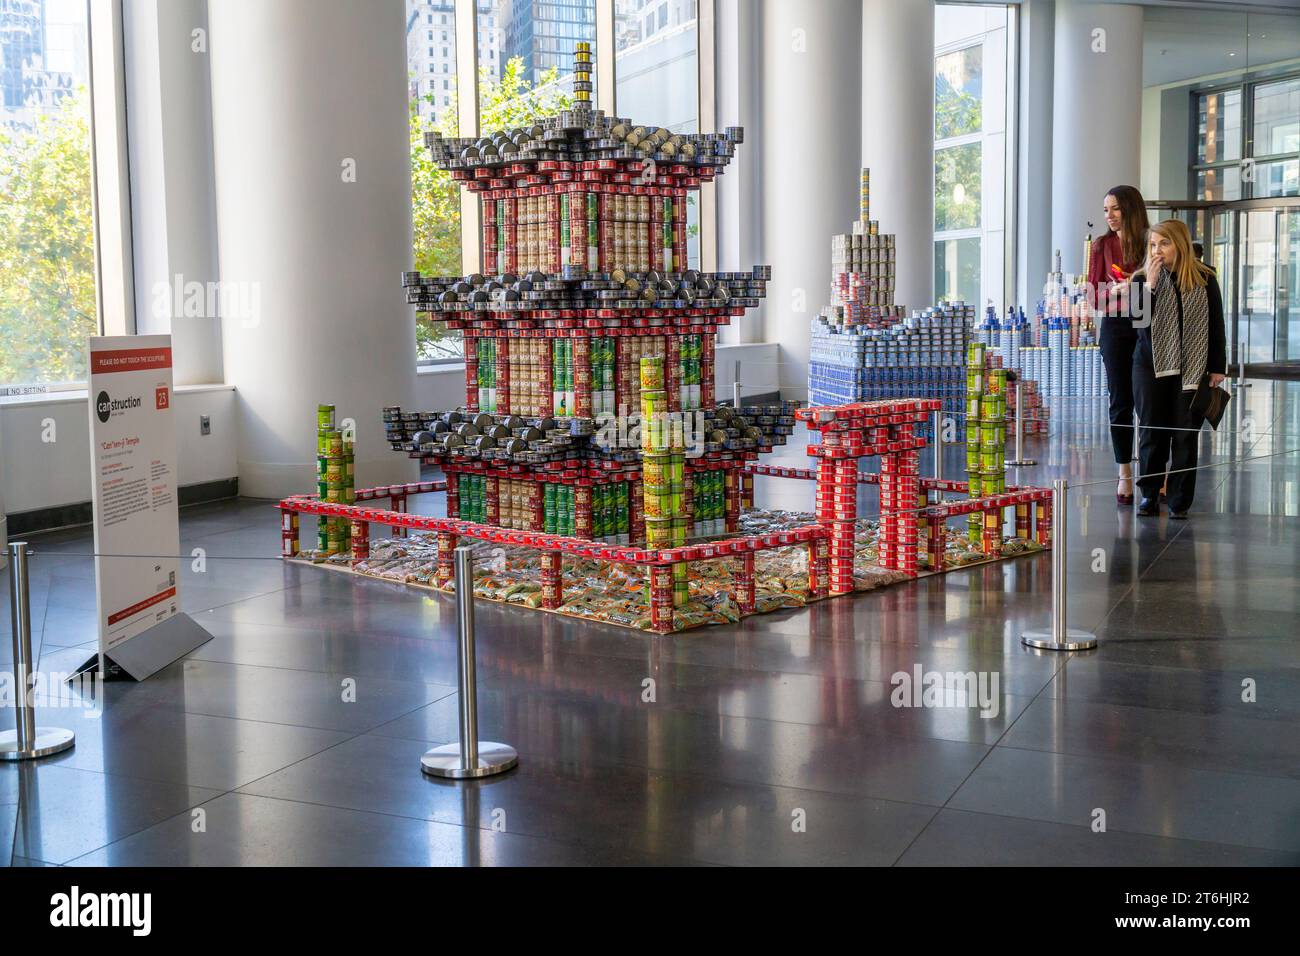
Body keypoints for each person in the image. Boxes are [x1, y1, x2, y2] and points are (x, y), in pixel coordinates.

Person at [1129, 219, 1226, 519]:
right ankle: (1149, 493)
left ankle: (1179, 501)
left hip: (1192, 368)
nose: (1157, 250)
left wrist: (1217, 366)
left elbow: (1216, 325)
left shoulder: (1205, 278)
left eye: (1164, 243)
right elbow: (1140, 327)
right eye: (1153, 245)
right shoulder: (1140, 279)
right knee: (1152, 432)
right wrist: (1152, 286)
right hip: (1150, 368)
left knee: (1185, 435)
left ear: (1179, 244)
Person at [1089, 185, 1149, 505]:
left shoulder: (1150, 242)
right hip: (1115, 327)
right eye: (1105, 210)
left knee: (1150, 401)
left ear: (1130, 209)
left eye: (1115, 209)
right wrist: (1115, 292)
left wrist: (1138, 285)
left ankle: (1154, 472)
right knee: (1121, 400)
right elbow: (1093, 296)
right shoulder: (1101, 246)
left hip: (1148, 326)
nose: (1109, 216)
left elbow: (1163, 286)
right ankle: (1124, 471)